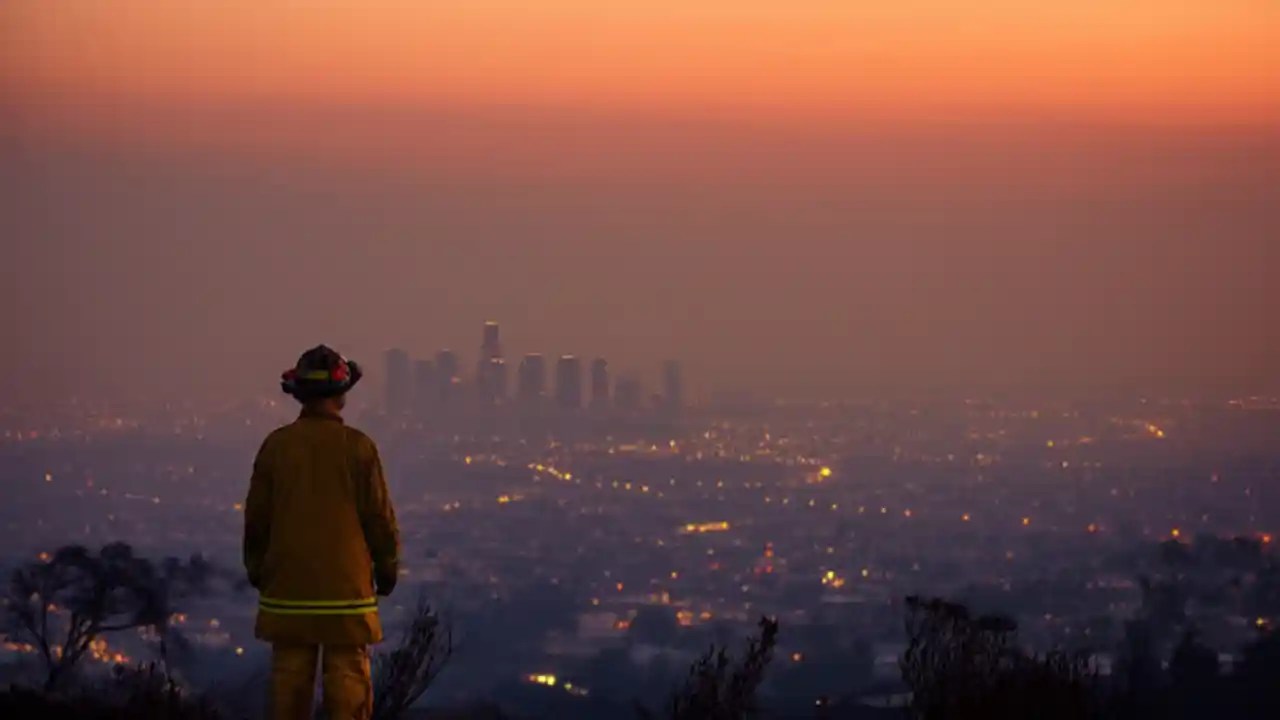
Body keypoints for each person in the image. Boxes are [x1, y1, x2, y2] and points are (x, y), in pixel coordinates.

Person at [243, 345, 400, 720]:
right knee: (348, 674)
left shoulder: (276, 447)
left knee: (289, 676)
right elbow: (378, 517)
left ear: (298, 393)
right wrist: (387, 567)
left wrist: (258, 569)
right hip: (348, 591)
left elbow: (257, 519)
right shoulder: (359, 448)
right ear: (342, 394)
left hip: (288, 589)